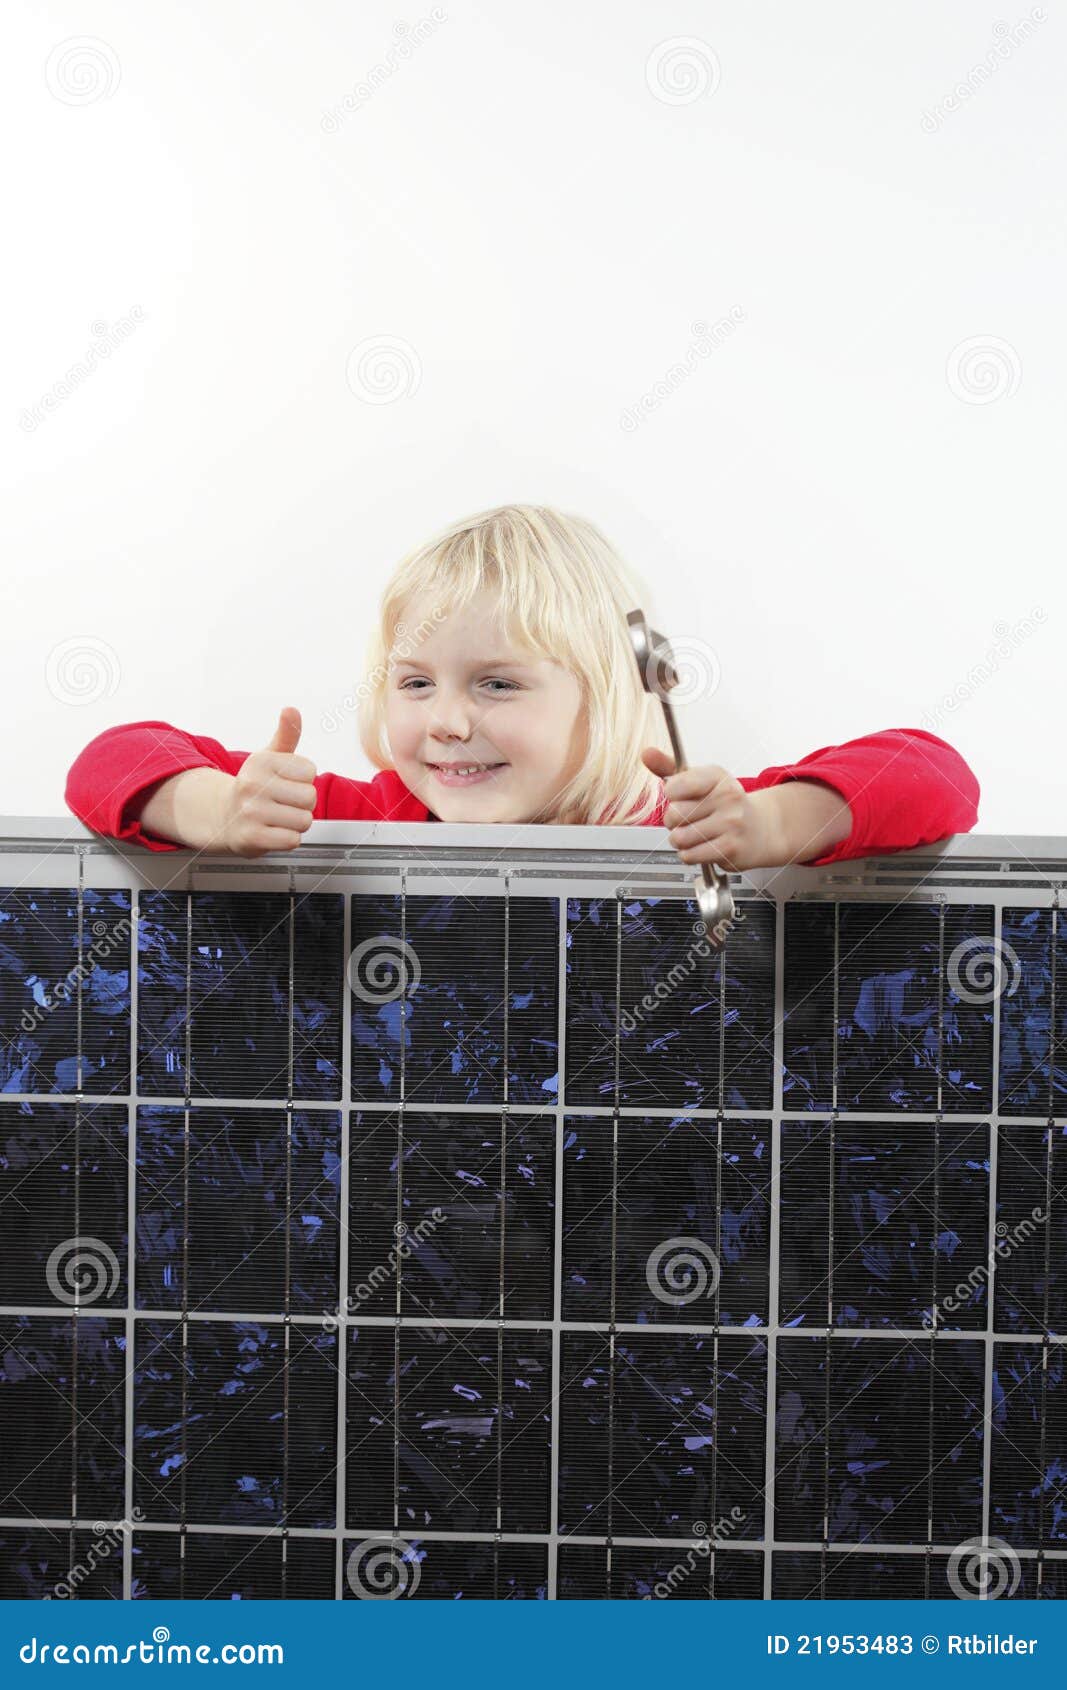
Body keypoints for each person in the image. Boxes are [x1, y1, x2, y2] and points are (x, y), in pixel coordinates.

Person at [64, 503, 980, 871]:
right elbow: (110, 757)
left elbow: (931, 773)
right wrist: (214, 809)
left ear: (614, 694)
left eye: (497, 683)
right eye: (414, 682)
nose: (448, 721)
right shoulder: (359, 820)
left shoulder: (692, 829)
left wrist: (774, 826)